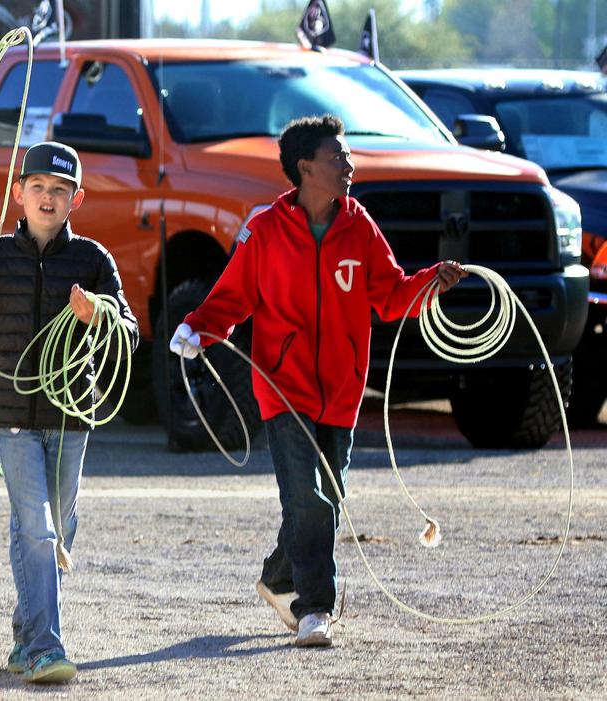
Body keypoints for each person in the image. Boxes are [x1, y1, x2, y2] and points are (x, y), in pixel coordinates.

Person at [169, 115, 466, 648]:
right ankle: (315, 609)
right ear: (306, 167)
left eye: (347, 157)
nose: (349, 165)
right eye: (338, 157)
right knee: (306, 497)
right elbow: (232, 297)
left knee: (328, 496)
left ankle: (279, 575)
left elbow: (391, 294)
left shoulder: (360, 225)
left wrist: (432, 283)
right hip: (282, 387)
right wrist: (196, 329)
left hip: (343, 389)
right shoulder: (264, 228)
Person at [0, 142, 139, 683]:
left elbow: (130, 334)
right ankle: (46, 648)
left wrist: (99, 313)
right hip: (13, 417)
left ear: (77, 199)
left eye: (61, 190)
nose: (49, 198)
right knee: (39, 530)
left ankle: (25, 633)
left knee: (55, 529)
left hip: (71, 417)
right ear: (18, 193)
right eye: (39, 187)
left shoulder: (93, 260)